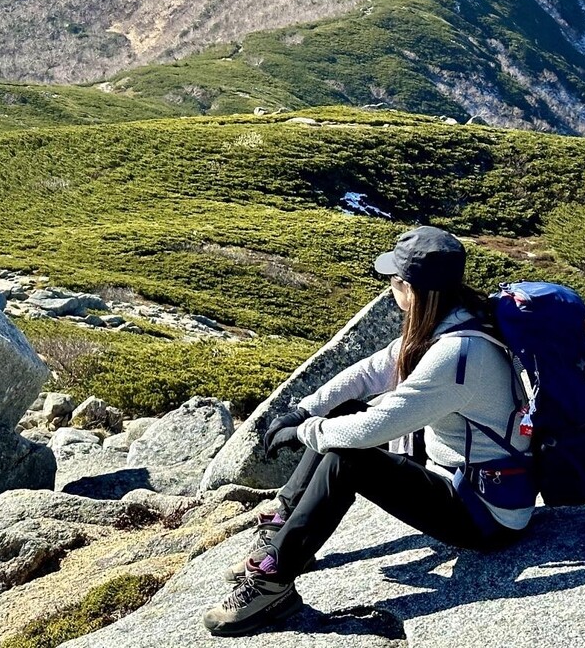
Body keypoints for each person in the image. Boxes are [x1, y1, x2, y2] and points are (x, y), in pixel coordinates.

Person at [202, 225, 534, 637]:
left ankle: (273, 582)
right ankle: (283, 527)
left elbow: (373, 429)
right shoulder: (455, 319)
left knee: (348, 456)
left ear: (411, 289)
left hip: (487, 513)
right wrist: (305, 409)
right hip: (458, 477)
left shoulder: (458, 355)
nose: (390, 287)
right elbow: (372, 371)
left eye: (394, 279)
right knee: (341, 417)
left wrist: (306, 431)